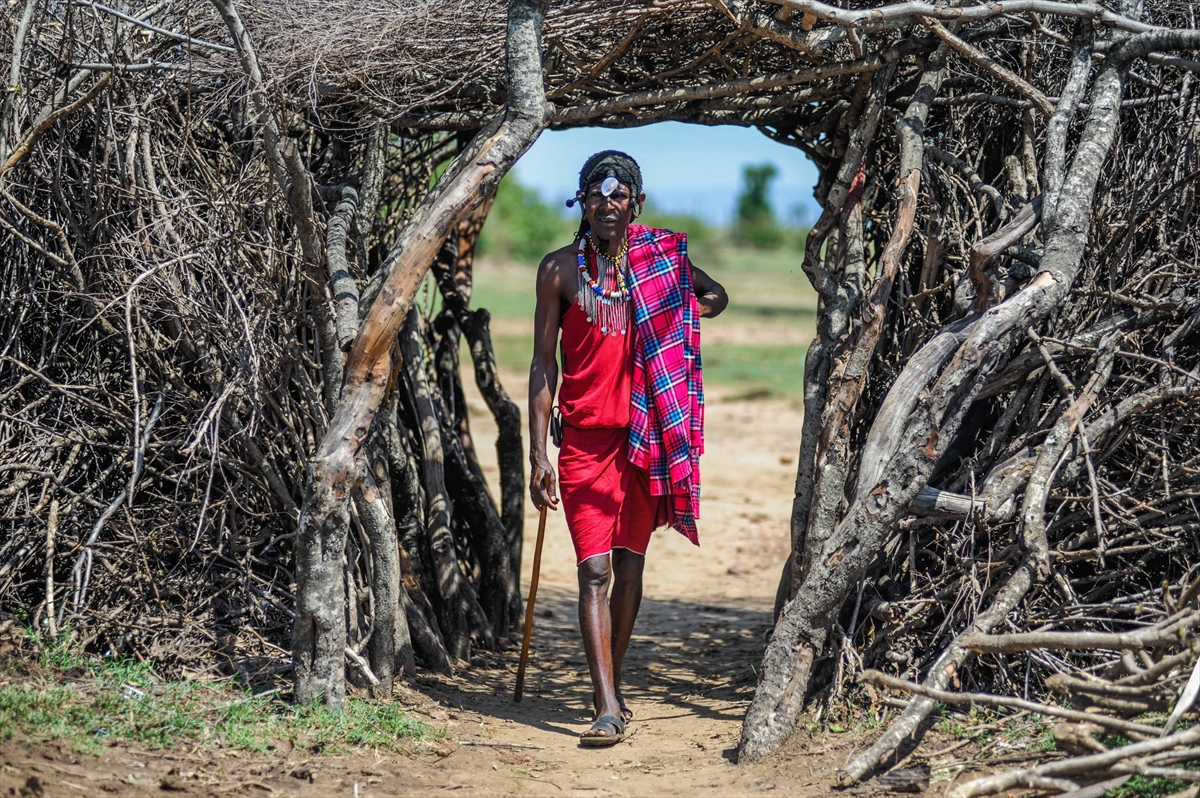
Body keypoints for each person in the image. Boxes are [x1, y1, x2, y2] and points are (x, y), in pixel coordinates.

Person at [528, 151, 728, 747]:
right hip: (584, 444)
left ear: (636, 204)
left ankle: (609, 688)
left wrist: (674, 313)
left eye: (619, 196)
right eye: (597, 194)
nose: (607, 205)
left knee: (630, 568)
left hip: (645, 438)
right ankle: (608, 704)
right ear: (582, 201)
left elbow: (716, 295)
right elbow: (542, 365)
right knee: (594, 570)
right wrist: (537, 454)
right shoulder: (560, 270)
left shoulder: (661, 260)